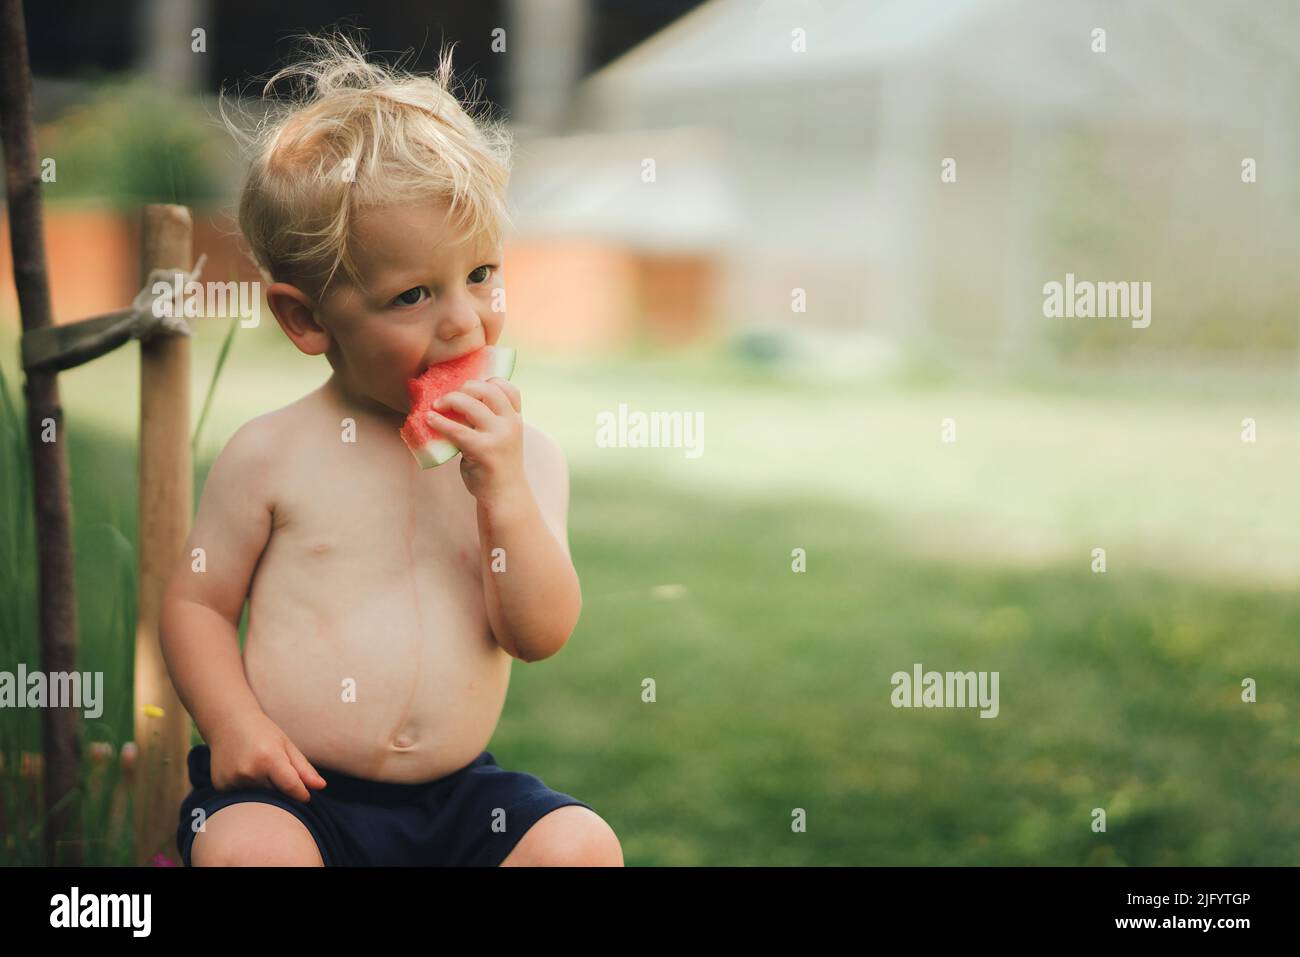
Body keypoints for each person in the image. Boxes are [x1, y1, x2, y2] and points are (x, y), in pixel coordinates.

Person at [160, 28, 621, 867]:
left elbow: (539, 633)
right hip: (295, 794)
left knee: (578, 843)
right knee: (252, 851)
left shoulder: (527, 459)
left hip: (458, 801)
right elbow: (196, 605)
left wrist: (504, 496)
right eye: (413, 294)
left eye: (481, 274)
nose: (462, 320)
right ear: (306, 319)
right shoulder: (269, 454)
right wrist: (235, 725)